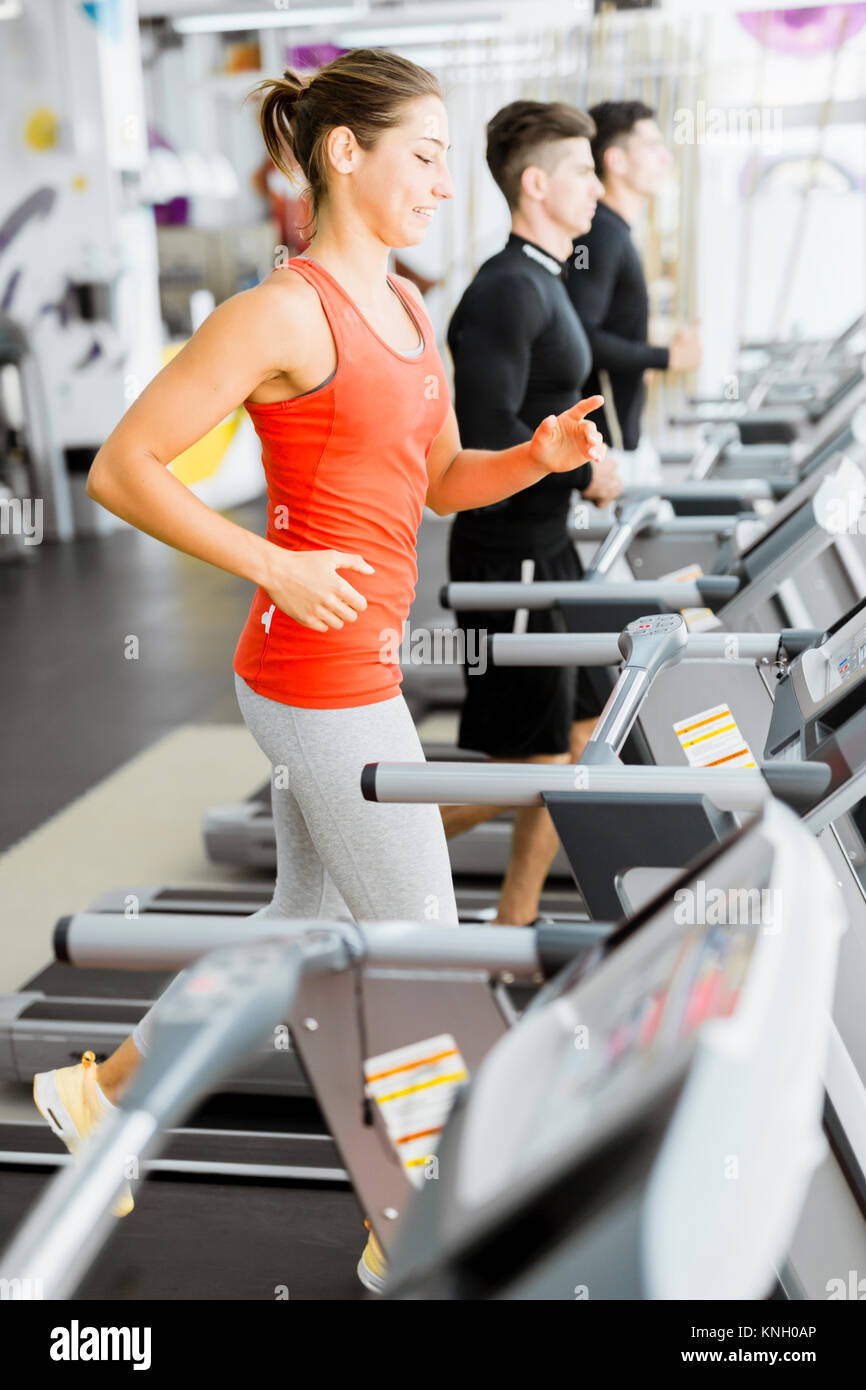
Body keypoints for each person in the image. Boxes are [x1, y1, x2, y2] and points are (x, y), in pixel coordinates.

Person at [29, 49, 606, 1291]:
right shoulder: (281, 312)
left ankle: (99, 1092)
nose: (444, 181)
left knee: (301, 925)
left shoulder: (405, 304)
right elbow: (122, 466)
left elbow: (443, 478)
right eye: (424, 154)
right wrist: (272, 565)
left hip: (358, 664)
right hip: (310, 673)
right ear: (344, 154)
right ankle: (411, 1219)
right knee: (425, 945)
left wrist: (535, 454)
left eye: (452, 159)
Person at [443, 100, 622, 927]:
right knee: (536, 761)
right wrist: (583, 476)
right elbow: (485, 431)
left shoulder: (544, 280)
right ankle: (361, 846)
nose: (599, 183)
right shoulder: (506, 290)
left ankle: (511, 931)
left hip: (550, 553)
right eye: (585, 170)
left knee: (582, 743)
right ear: (536, 182)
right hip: (508, 555)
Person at [566, 100, 702, 487]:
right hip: (607, 446)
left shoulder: (611, 232)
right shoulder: (601, 234)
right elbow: (581, 338)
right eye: (652, 146)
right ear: (617, 161)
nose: (665, 157)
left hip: (620, 437)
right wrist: (667, 357)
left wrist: (646, 357)